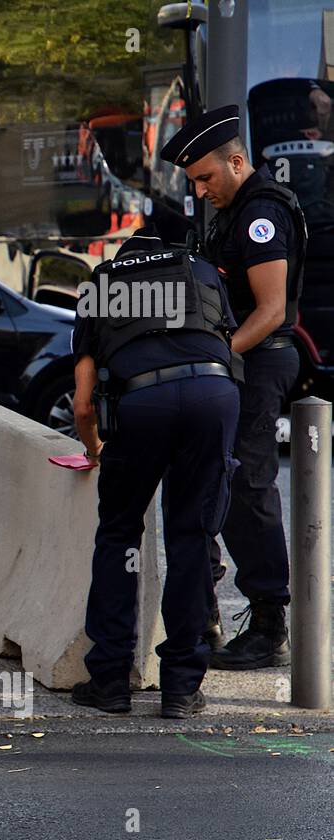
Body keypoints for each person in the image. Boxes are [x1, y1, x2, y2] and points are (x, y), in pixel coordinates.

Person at [69, 229, 240, 718]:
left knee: (120, 533)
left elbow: (83, 404)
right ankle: (182, 689)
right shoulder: (202, 271)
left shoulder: (100, 285)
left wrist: (95, 448)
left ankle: (111, 681)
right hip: (214, 397)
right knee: (191, 536)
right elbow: (225, 346)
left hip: (141, 405)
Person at [161, 105, 307, 670]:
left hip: (260, 361)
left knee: (248, 484)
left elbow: (270, 311)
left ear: (237, 161)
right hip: (235, 363)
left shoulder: (261, 212)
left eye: (206, 177)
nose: (200, 190)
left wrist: (213, 359)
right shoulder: (229, 210)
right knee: (207, 481)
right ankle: (207, 613)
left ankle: (269, 623)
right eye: (194, 181)